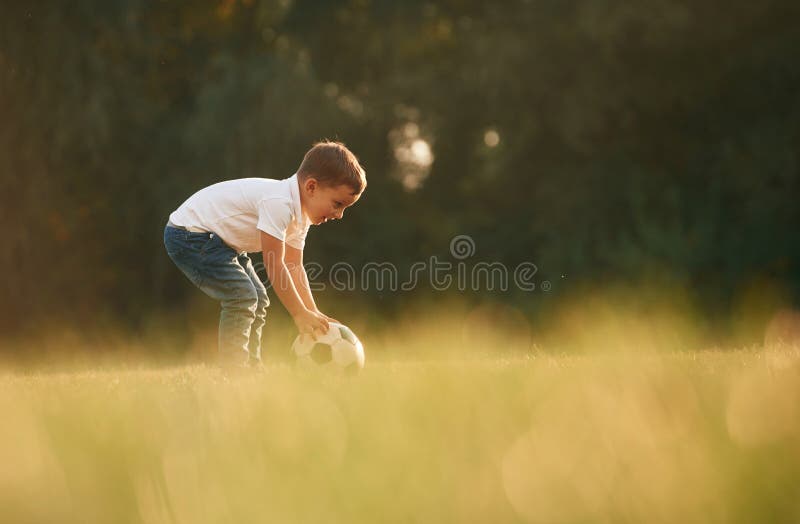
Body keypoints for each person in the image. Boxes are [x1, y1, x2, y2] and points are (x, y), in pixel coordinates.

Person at [163, 140, 366, 367]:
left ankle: (251, 367)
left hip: (221, 243)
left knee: (258, 298)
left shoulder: (301, 218)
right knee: (242, 296)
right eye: (337, 204)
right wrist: (299, 314)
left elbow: (293, 265)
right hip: (190, 235)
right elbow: (275, 265)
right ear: (311, 187)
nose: (339, 215)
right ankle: (235, 370)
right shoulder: (279, 203)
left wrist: (312, 312)